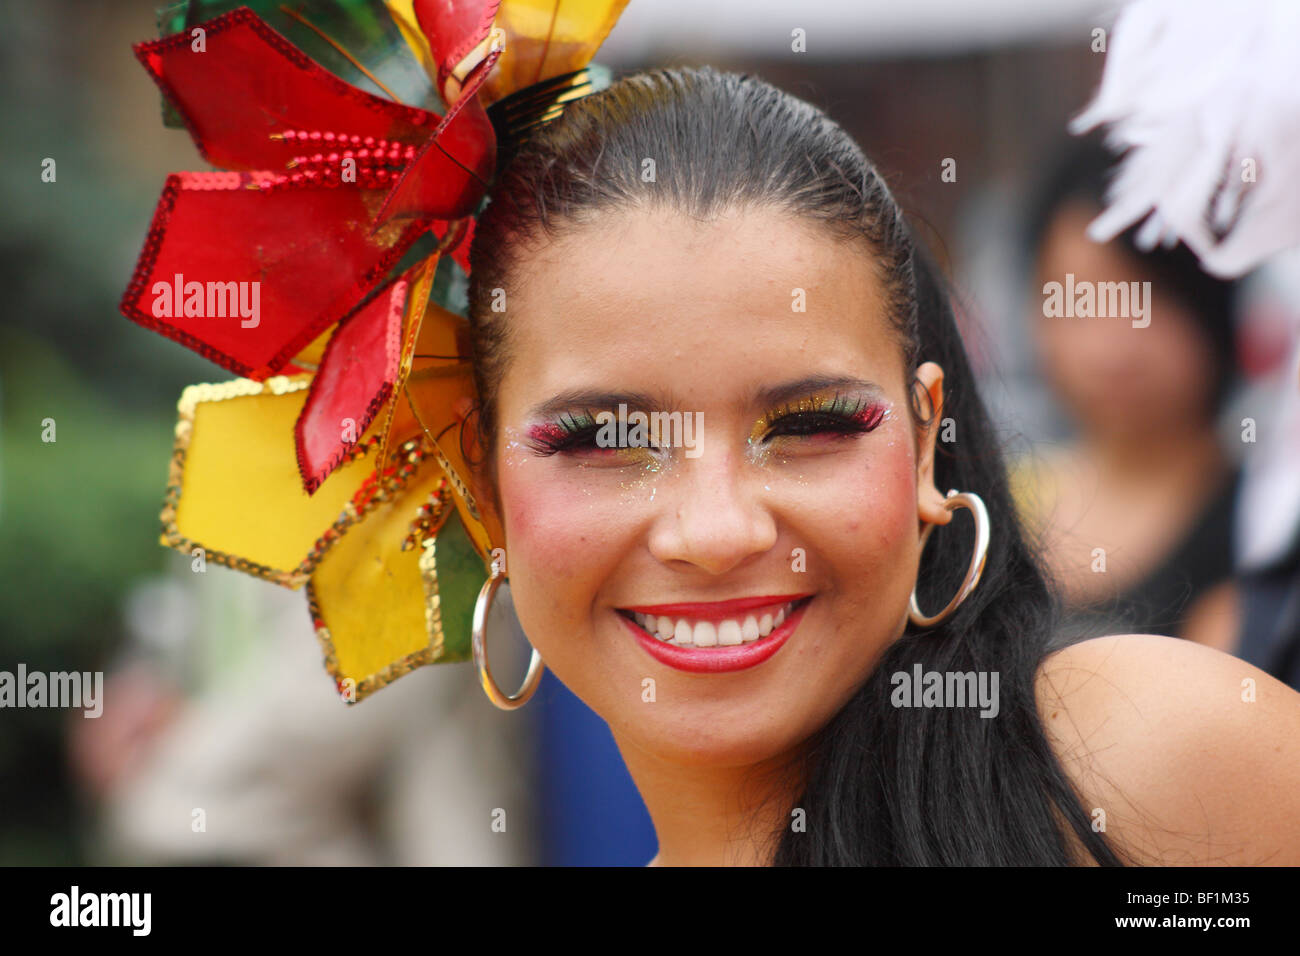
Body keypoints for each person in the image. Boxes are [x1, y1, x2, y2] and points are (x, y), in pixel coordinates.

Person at [455, 66, 1300, 866]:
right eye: (602, 440)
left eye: (811, 425)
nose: (715, 532)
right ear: (482, 480)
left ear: (927, 439)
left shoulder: (1151, 760)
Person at [1015, 138, 1243, 651]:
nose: (1112, 346)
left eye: (1150, 295)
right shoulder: (993, 506)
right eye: (1079, 297)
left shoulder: (1263, 536)